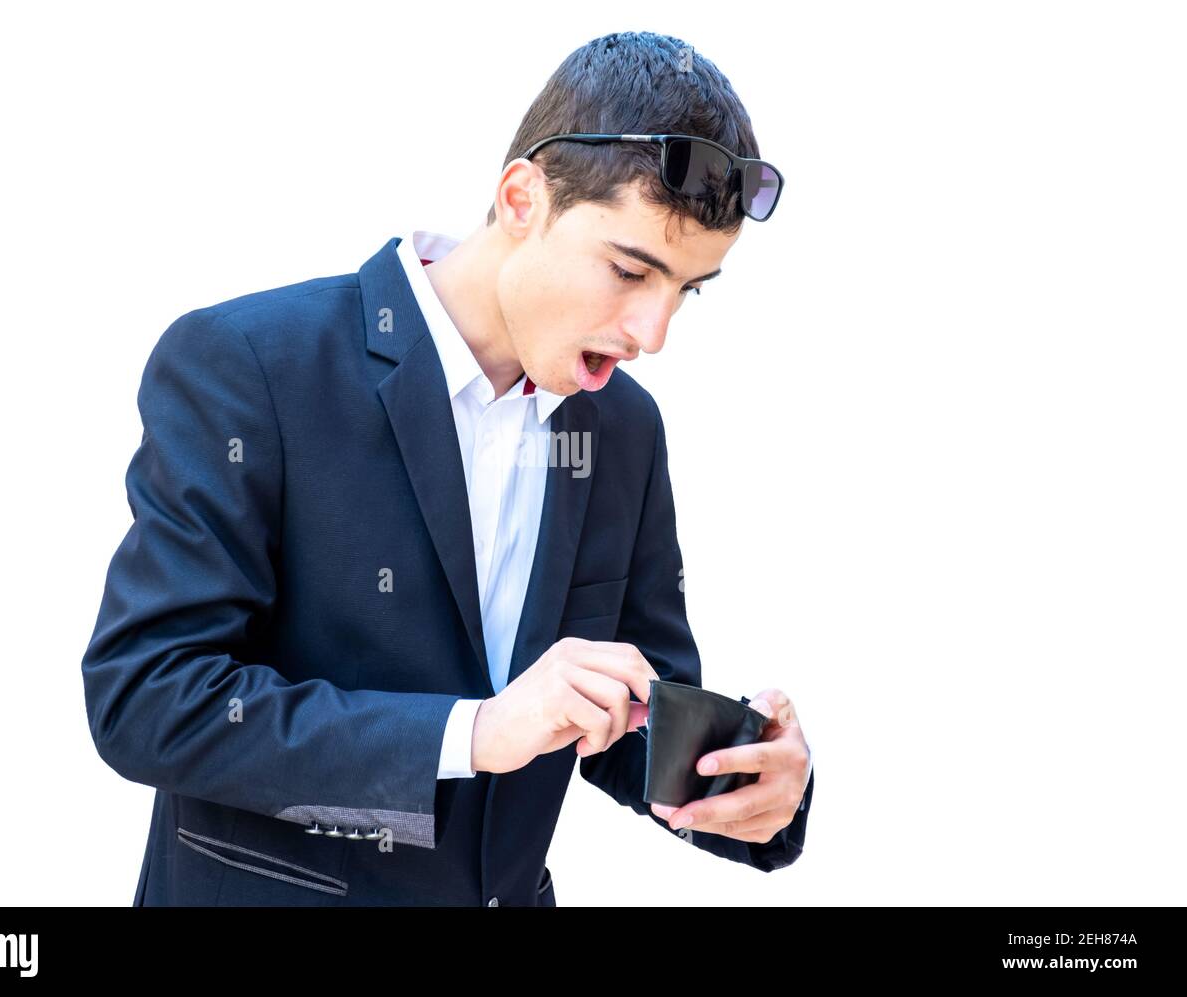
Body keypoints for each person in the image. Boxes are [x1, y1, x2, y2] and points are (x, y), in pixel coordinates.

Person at [81, 29, 814, 907]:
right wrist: (475, 731)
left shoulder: (623, 428)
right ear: (521, 198)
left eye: (685, 291)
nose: (653, 333)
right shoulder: (249, 366)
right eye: (630, 269)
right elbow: (147, 696)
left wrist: (749, 782)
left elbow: (626, 713)